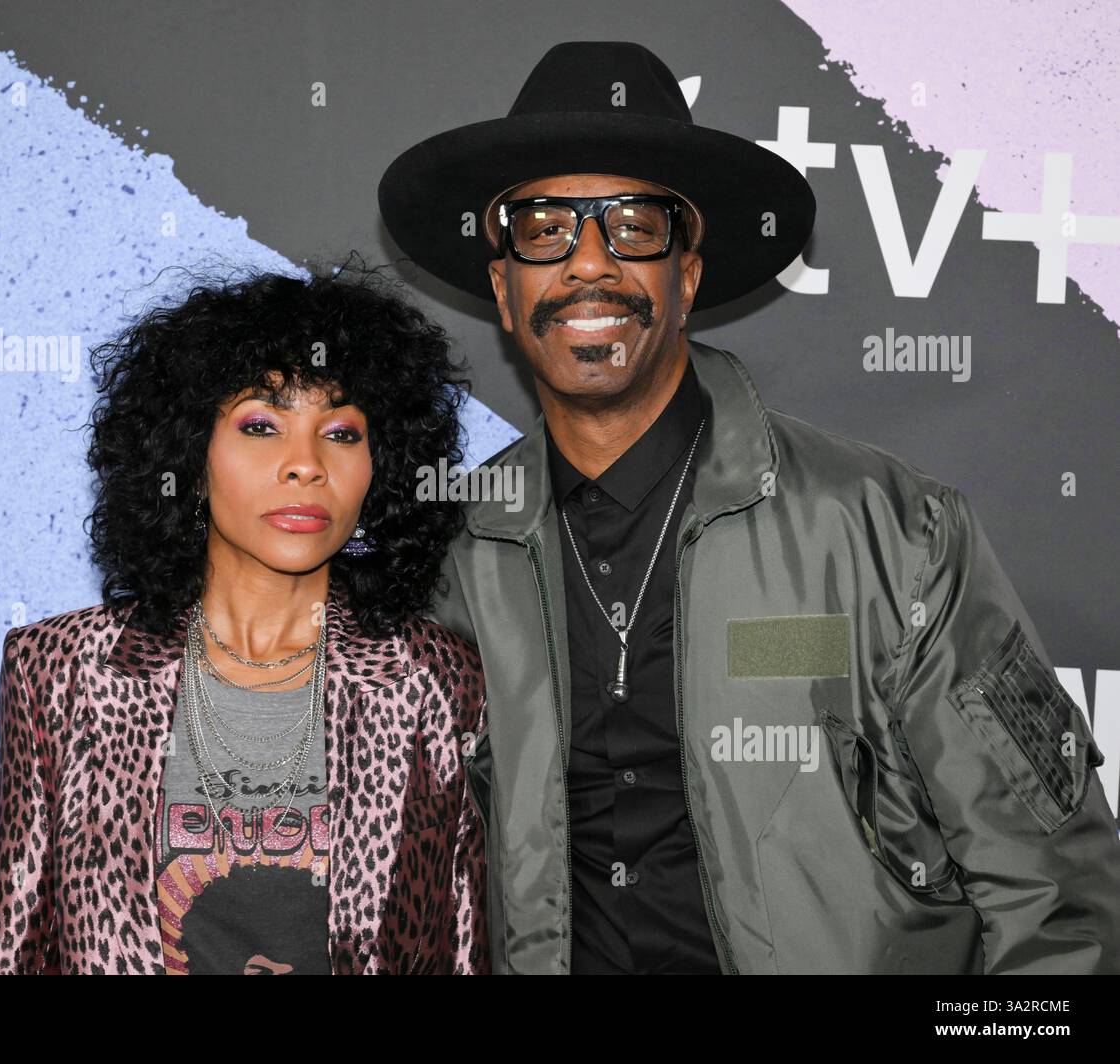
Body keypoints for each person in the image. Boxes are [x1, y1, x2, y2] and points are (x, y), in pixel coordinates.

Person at [378, 40, 1120, 974]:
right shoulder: (453, 558)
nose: (588, 264)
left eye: (635, 225)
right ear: (503, 284)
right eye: (543, 228)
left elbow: (1058, 902)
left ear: (686, 275)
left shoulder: (891, 533)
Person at [0, 262, 488, 974]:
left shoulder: (436, 681)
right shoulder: (60, 671)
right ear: (190, 457)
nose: (305, 464)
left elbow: (461, 951)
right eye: (261, 426)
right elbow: (15, 949)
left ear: (382, 471)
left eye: (341, 433)